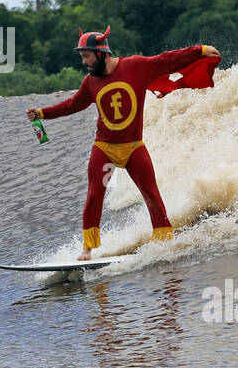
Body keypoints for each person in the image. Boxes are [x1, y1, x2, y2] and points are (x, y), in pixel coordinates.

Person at [26, 27, 220, 260]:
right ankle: (87, 249)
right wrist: (42, 113)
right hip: (104, 148)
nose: (84, 62)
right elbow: (73, 105)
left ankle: (164, 240)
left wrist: (199, 50)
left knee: (151, 195)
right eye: (82, 57)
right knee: (95, 194)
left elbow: (167, 60)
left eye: (86, 56)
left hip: (133, 147)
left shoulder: (136, 66)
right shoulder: (90, 82)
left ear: (102, 53)